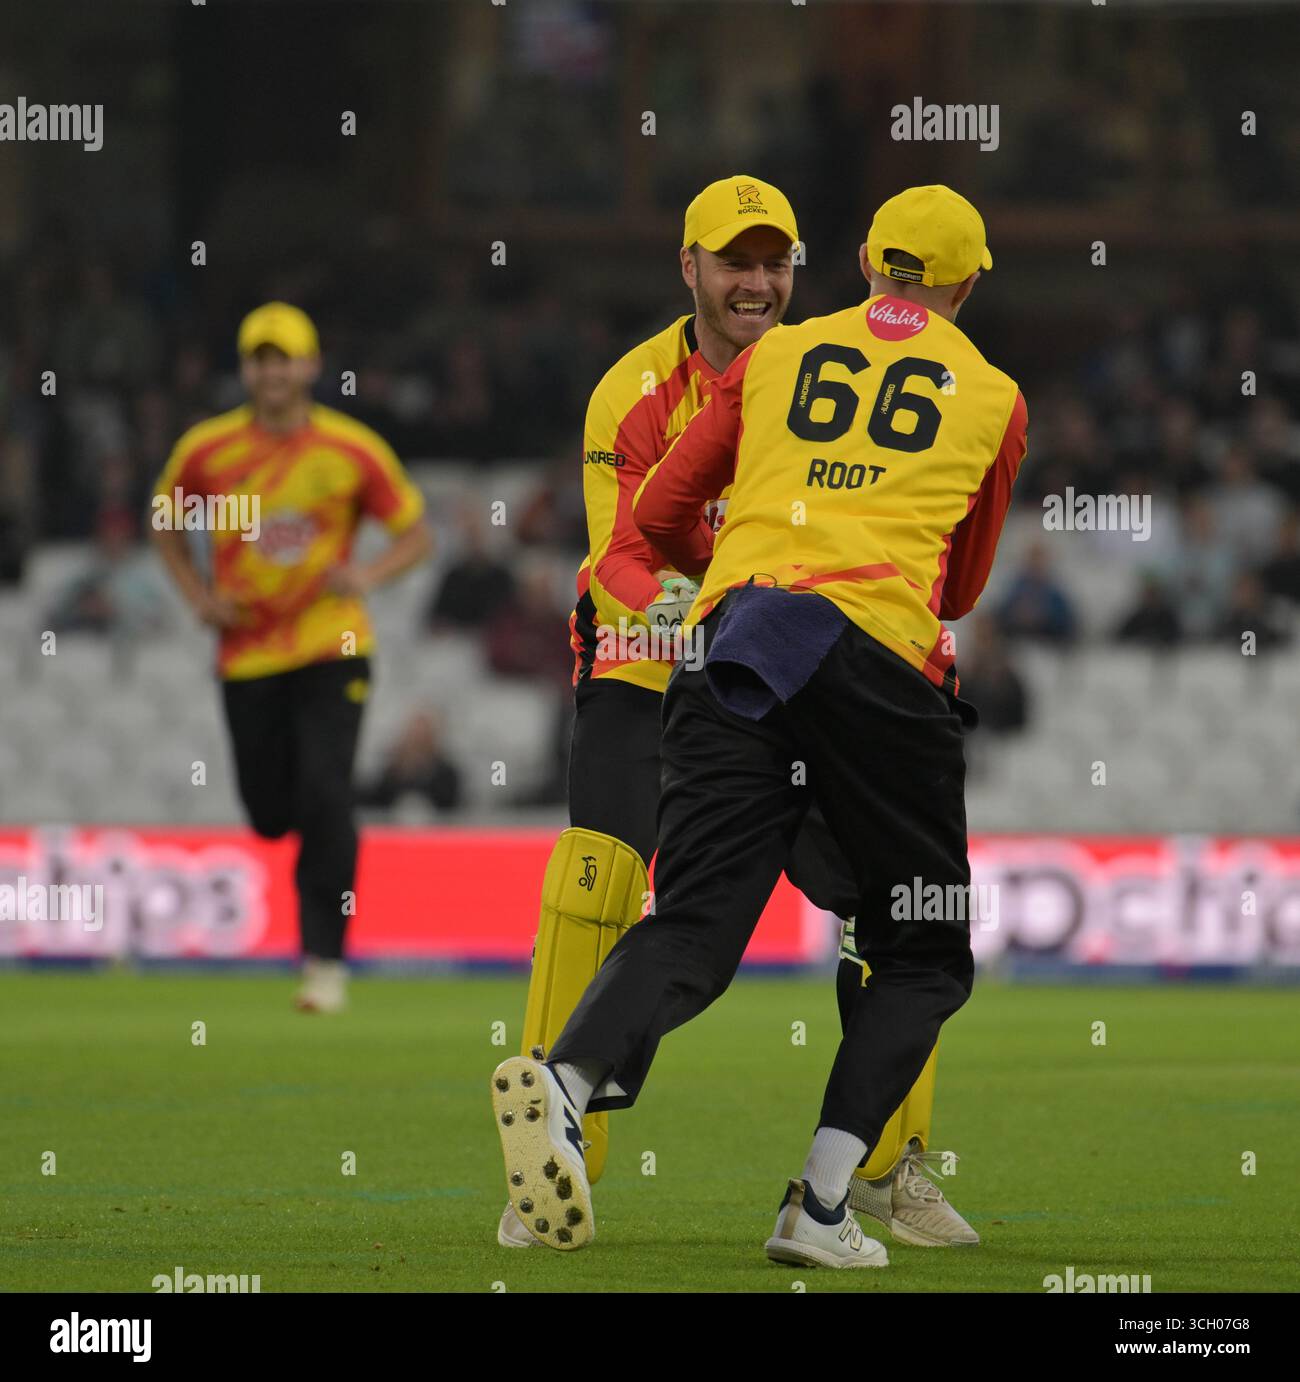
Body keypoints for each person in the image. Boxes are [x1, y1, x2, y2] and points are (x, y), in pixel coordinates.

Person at [492, 185, 1028, 1269]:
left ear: (854, 260)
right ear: (970, 284)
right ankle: (823, 1195)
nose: (753, 282)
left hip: (735, 648)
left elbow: (649, 521)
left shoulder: (775, 364)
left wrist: (738, 571)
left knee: (693, 920)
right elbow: (959, 587)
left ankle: (564, 1080)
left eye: (770, 261)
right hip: (863, 664)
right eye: (732, 261)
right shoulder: (994, 393)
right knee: (916, 938)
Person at [150, 302, 432, 1013]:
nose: (273, 372)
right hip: (246, 655)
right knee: (272, 814)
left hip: (332, 643)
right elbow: (164, 523)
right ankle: (317, 932)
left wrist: (365, 578)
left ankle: (326, 964)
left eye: (285, 358)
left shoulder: (351, 449)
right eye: (260, 359)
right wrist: (198, 597)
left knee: (327, 793)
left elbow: (415, 533)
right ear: (246, 369)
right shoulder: (206, 452)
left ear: (310, 365)